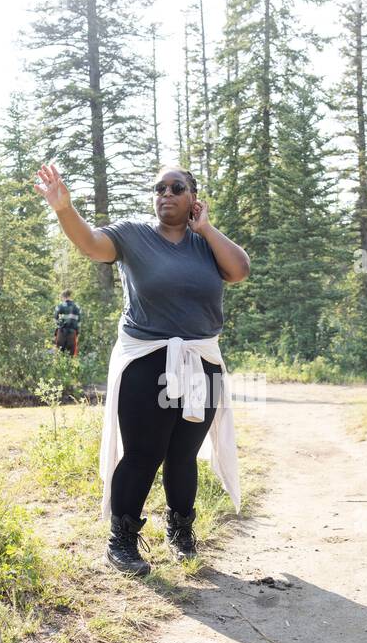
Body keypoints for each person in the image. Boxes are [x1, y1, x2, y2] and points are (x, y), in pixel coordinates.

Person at [34, 161, 250, 574]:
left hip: (202, 360)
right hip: (145, 360)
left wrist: (205, 228)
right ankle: (122, 542)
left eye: (176, 188)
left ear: (193, 198)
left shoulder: (205, 243)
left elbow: (239, 270)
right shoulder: (133, 235)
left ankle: (181, 532)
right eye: (160, 188)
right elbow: (92, 244)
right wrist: (64, 208)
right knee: (143, 453)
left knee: (184, 455)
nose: (166, 194)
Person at [53, 290, 82, 356]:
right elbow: (79, 322)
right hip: (72, 333)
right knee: (71, 356)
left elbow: (55, 319)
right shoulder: (77, 307)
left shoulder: (60, 306)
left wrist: (56, 332)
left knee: (59, 354)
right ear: (70, 296)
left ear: (63, 296)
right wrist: (77, 333)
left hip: (62, 332)